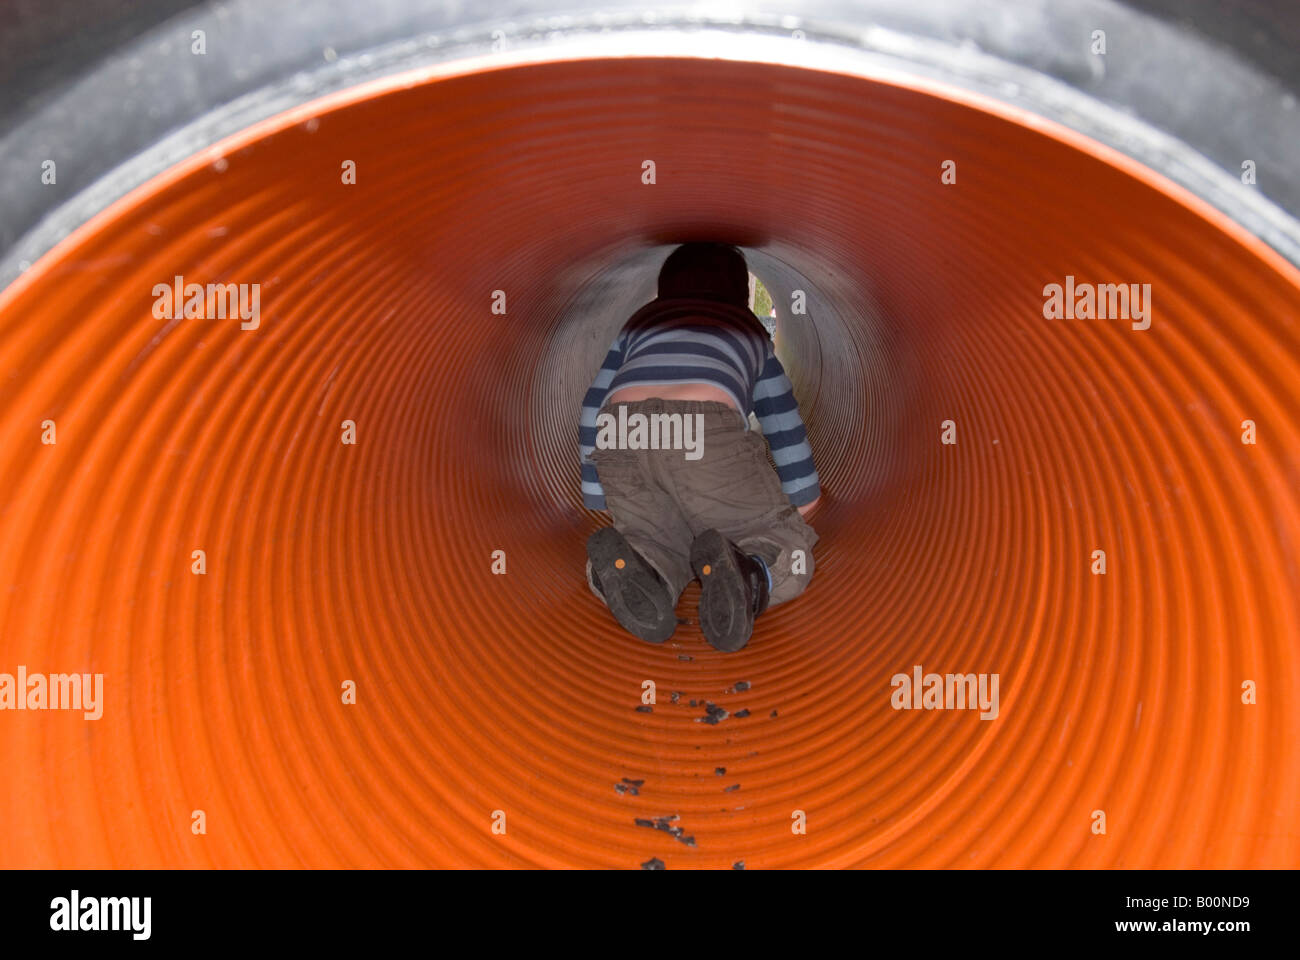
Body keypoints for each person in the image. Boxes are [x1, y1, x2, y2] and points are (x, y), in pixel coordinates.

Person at [580, 243, 820, 652]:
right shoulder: (749, 330)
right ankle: (750, 574)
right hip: (703, 432)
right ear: (741, 295)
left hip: (620, 433)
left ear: (663, 290)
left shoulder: (639, 323)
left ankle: (640, 567)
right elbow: (782, 422)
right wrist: (803, 500)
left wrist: (595, 491)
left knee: (655, 535)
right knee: (785, 541)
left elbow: (592, 406)